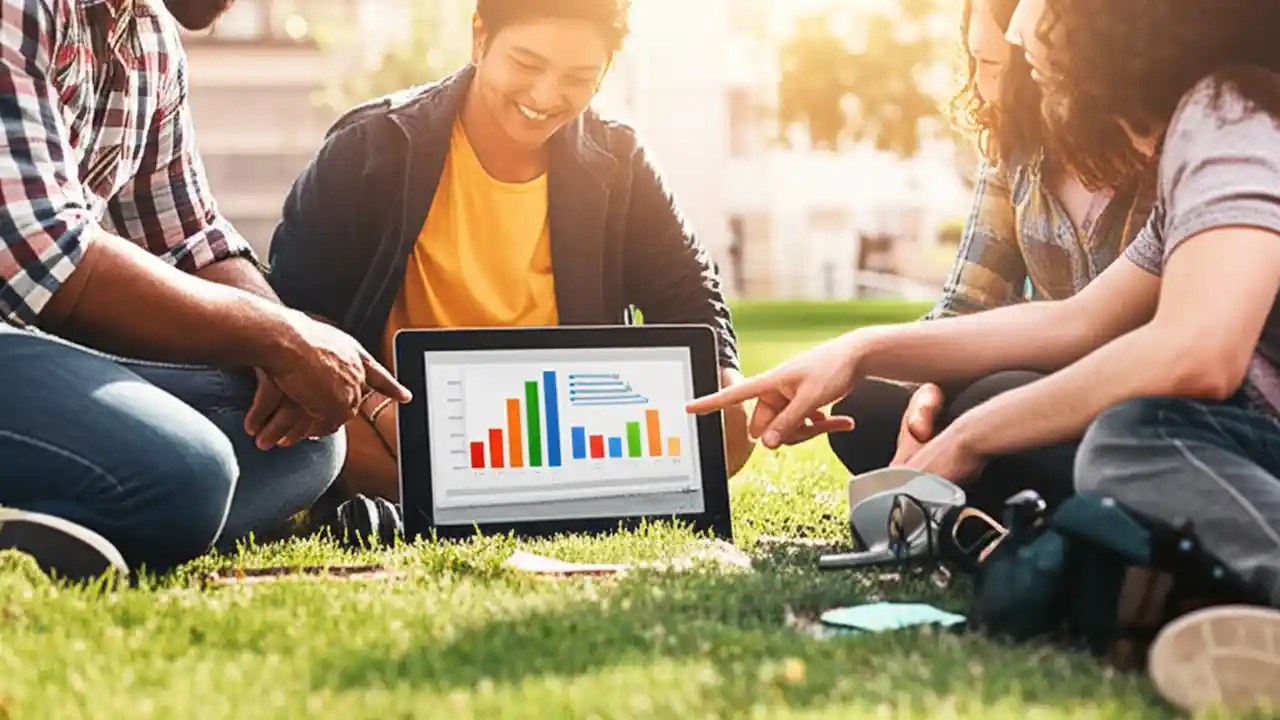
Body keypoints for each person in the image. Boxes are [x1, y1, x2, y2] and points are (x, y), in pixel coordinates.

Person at [690, 0, 1280, 622]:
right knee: (1098, 438)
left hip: (1227, 428)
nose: (1021, 26)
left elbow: (1197, 352)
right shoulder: (1201, 129)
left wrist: (972, 434)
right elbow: (1074, 320)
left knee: (1128, 439)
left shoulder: (1226, 113)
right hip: (1236, 434)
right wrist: (860, 350)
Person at [268, 0, 754, 506]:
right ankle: (503, 498)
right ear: (480, 39)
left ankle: (489, 497)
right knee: (323, 427)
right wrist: (369, 403)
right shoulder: (371, 147)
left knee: (730, 424)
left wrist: (725, 385)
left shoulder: (620, 162)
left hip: (558, 425)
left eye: (579, 76)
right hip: (401, 420)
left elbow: (690, 296)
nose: (546, 96)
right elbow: (293, 312)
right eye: (526, 65)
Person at [0, 0, 411, 578]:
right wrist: (278, 338)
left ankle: (75, 517)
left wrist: (292, 355)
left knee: (306, 441)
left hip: (35, 346)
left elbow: (189, 235)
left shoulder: (147, 34)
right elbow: (47, 252)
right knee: (192, 470)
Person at [826, 0, 1154, 514]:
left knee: (994, 397)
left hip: (1125, 395)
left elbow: (1132, 337)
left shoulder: (1155, 148)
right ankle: (1009, 494)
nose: (980, 85)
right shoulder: (1014, 153)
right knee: (867, 408)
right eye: (974, 61)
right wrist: (930, 387)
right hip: (1033, 389)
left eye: (996, 66)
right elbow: (967, 306)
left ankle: (990, 489)